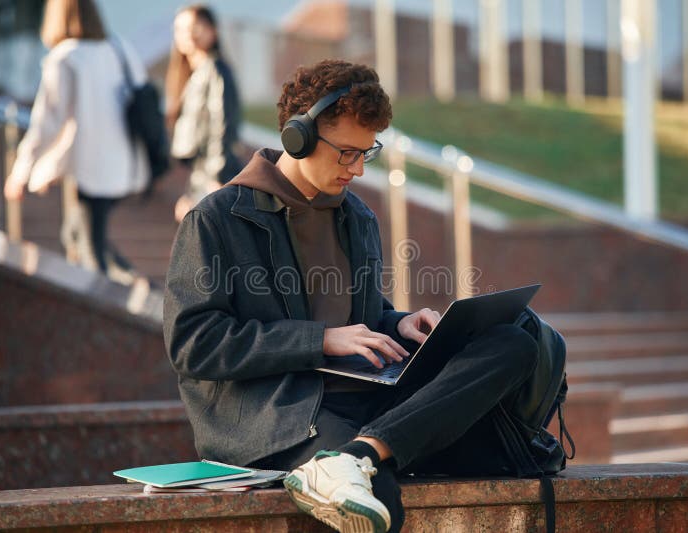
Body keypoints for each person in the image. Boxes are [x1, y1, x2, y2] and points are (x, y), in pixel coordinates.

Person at [164, 60, 562, 533]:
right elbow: (194, 342)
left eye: (365, 153)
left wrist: (397, 324)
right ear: (299, 137)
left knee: (514, 342)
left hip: (372, 403)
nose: (355, 169)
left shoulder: (357, 216)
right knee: (379, 497)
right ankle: (363, 459)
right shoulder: (217, 219)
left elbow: (363, 318)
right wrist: (321, 340)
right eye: (346, 153)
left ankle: (358, 456)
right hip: (279, 415)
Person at [4, 0, 147, 283]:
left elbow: (48, 122)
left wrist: (21, 171)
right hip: (123, 163)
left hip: (90, 167)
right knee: (79, 233)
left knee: (89, 246)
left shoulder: (65, 58)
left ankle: (120, 298)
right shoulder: (118, 49)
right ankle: (133, 286)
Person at [165, 4, 243, 223]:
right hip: (200, 174)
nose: (188, 34)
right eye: (180, 29)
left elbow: (222, 125)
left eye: (195, 27)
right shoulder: (194, 74)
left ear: (213, 31)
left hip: (214, 175)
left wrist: (216, 178)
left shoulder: (216, 70)